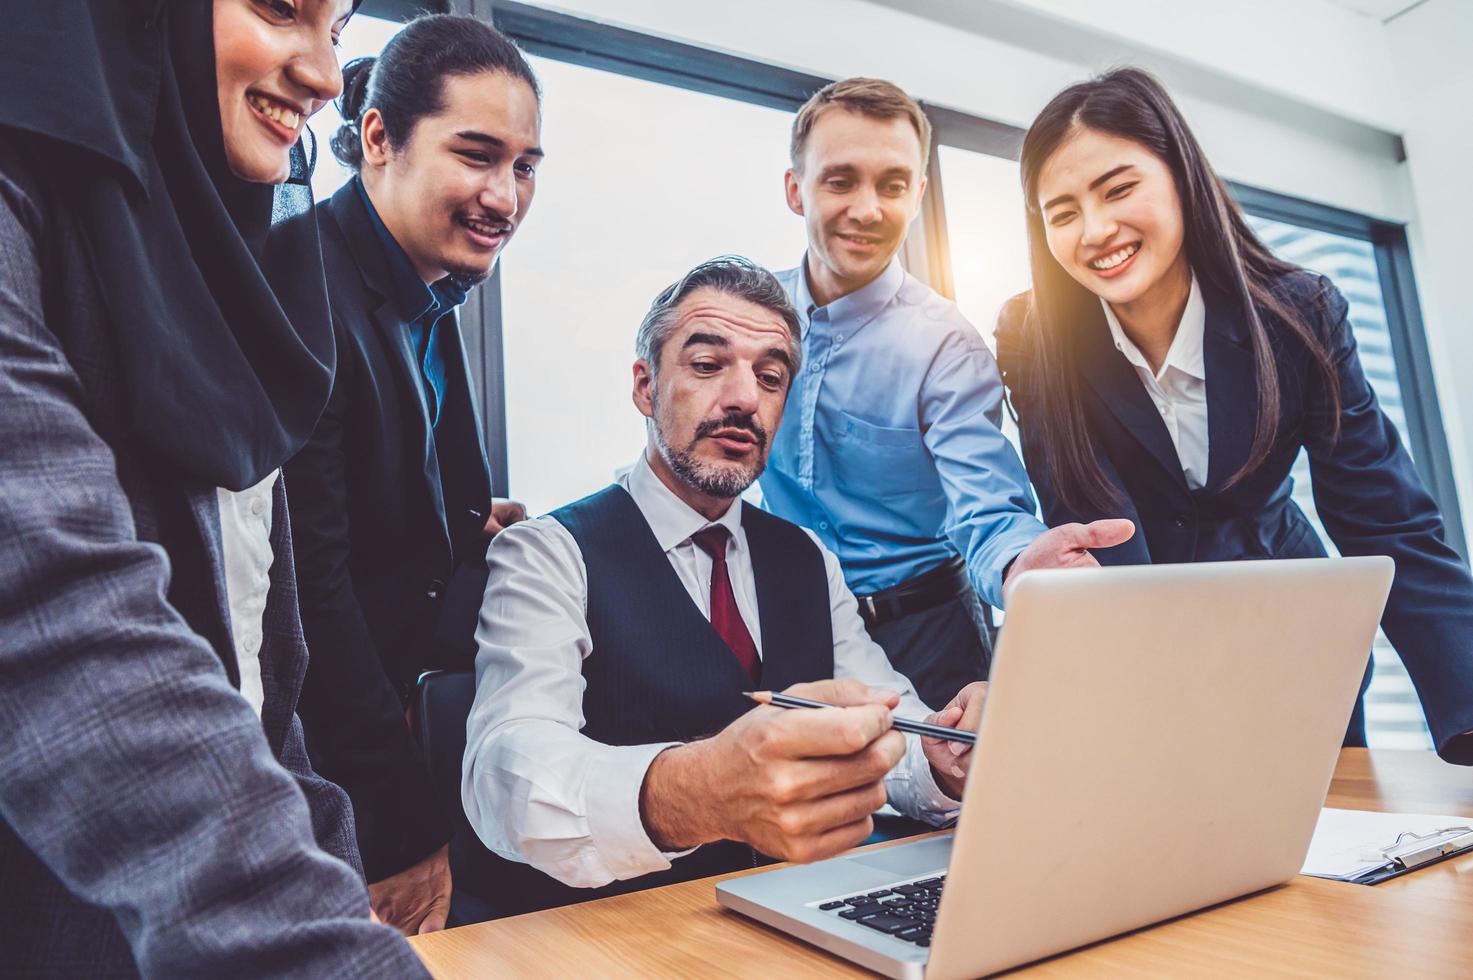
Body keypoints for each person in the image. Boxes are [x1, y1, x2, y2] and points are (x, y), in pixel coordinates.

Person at [0, 0, 427, 974]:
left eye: (339, 25)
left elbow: (261, 686)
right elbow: (60, 620)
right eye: (281, 7)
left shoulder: (221, 272)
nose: (323, 72)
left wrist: (336, 896)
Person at [461, 257, 990, 915]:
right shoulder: (546, 552)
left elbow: (886, 725)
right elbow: (504, 773)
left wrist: (940, 754)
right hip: (621, 935)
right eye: (708, 366)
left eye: (769, 377)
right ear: (644, 387)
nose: (744, 398)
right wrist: (694, 793)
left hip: (794, 917)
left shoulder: (806, 558)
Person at [995, 67, 1473, 763]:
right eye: (1062, 212)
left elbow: (1385, 519)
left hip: (1295, 640)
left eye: (1119, 189)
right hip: (1144, 645)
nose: (1095, 230)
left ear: (1180, 177)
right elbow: (1087, 514)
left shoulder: (1299, 313)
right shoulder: (1032, 337)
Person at [283, 14, 541, 934]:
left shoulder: (433, 289)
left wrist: (466, 528)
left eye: (524, 166)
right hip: (325, 777)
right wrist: (396, 829)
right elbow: (307, 588)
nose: (504, 196)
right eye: (476, 155)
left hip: (407, 728)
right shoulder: (300, 279)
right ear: (380, 139)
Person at [761, 78, 1132, 709]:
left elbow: (985, 508)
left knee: (958, 807)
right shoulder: (751, 316)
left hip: (927, 635)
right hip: (792, 627)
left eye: (894, 184)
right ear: (797, 190)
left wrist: (1022, 566)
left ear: (919, 195)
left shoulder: (947, 347)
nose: (869, 208)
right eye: (841, 180)